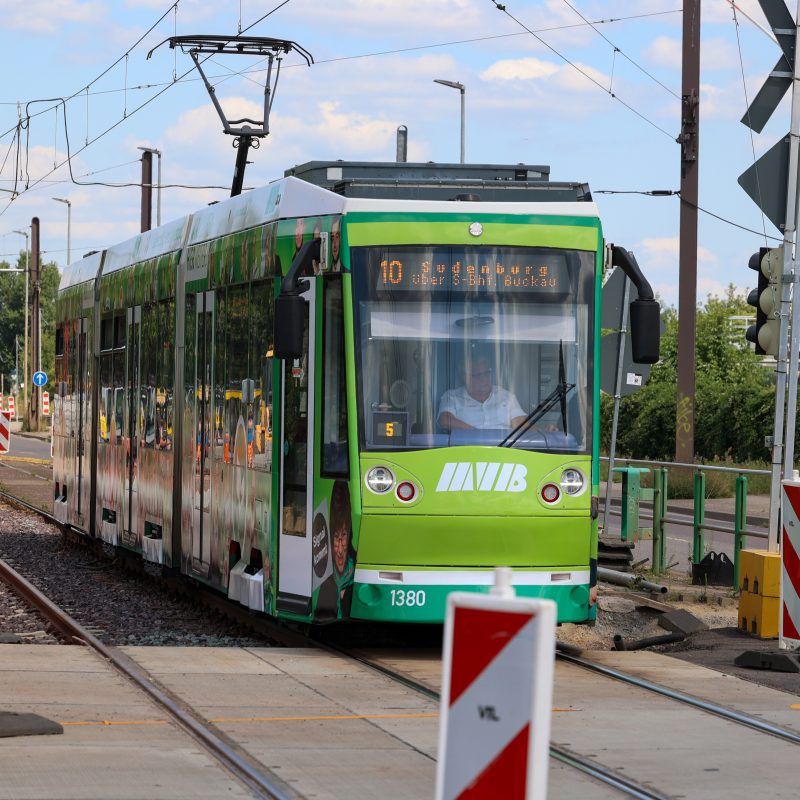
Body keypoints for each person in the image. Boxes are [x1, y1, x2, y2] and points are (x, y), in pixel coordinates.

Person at [438, 352, 526, 431]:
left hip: (504, 447)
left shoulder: (506, 396)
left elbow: (522, 424)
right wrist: (477, 435)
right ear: (466, 377)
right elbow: (445, 420)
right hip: (468, 447)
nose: (484, 379)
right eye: (478, 375)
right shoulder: (452, 397)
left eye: (487, 373)